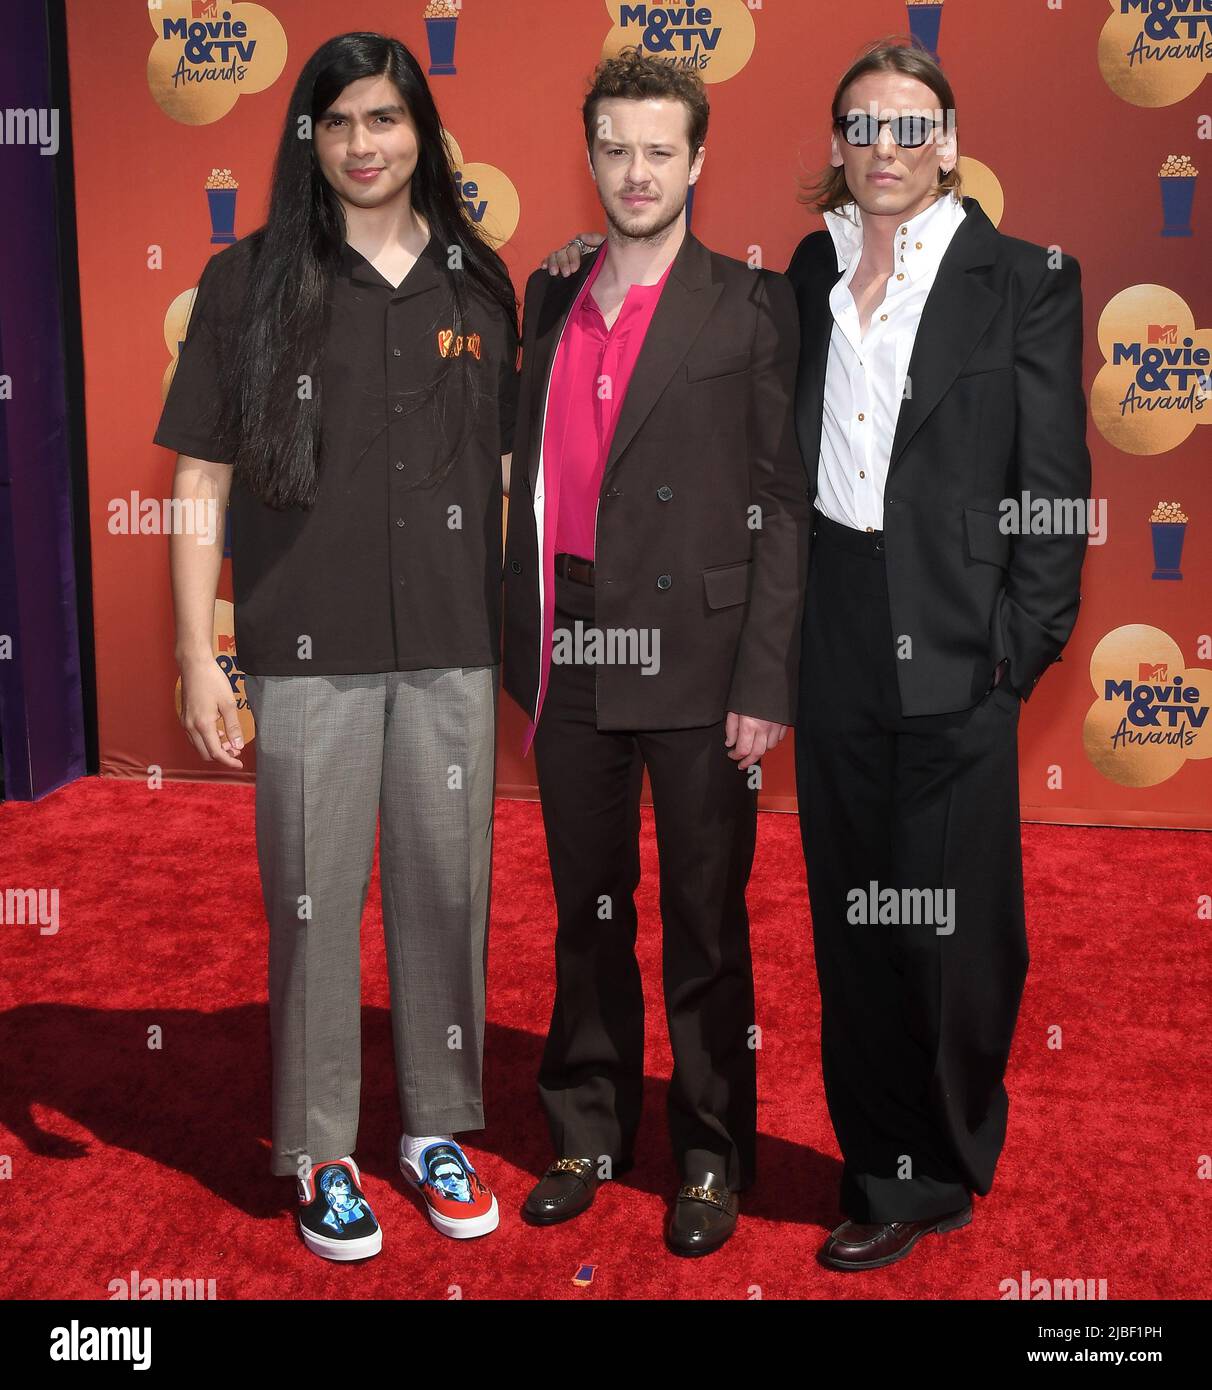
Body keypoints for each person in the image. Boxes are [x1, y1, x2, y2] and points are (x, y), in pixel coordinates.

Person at [544, 35, 1090, 1272]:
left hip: (962, 634)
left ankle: (941, 1163)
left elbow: (1054, 483)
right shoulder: (805, 268)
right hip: (830, 625)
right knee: (854, 917)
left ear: (947, 142)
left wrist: (1020, 643)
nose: (886, 148)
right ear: (838, 145)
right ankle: (877, 1165)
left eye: (911, 127)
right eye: (864, 126)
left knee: (950, 929)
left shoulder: (1024, 281)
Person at [154, 31, 518, 1260]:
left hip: (456, 644)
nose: (366, 145)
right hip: (305, 650)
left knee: (447, 890)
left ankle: (435, 1131)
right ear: (308, 138)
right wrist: (203, 656)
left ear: (423, 130)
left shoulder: (480, 276)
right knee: (312, 909)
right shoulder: (246, 279)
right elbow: (199, 474)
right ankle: (319, 1151)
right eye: (340, 122)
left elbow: (510, 474)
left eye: (387, 119)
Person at [503, 48, 809, 1257]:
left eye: (660, 150)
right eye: (616, 148)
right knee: (587, 912)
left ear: (697, 161)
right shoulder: (548, 295)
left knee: (705, 919)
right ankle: (585, 1127)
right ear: (590, 158)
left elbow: (782, 501)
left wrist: (766, 677)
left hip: (702, 660)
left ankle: (710, 1151)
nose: (637, 171)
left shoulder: (750, 303)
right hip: (574, 646)